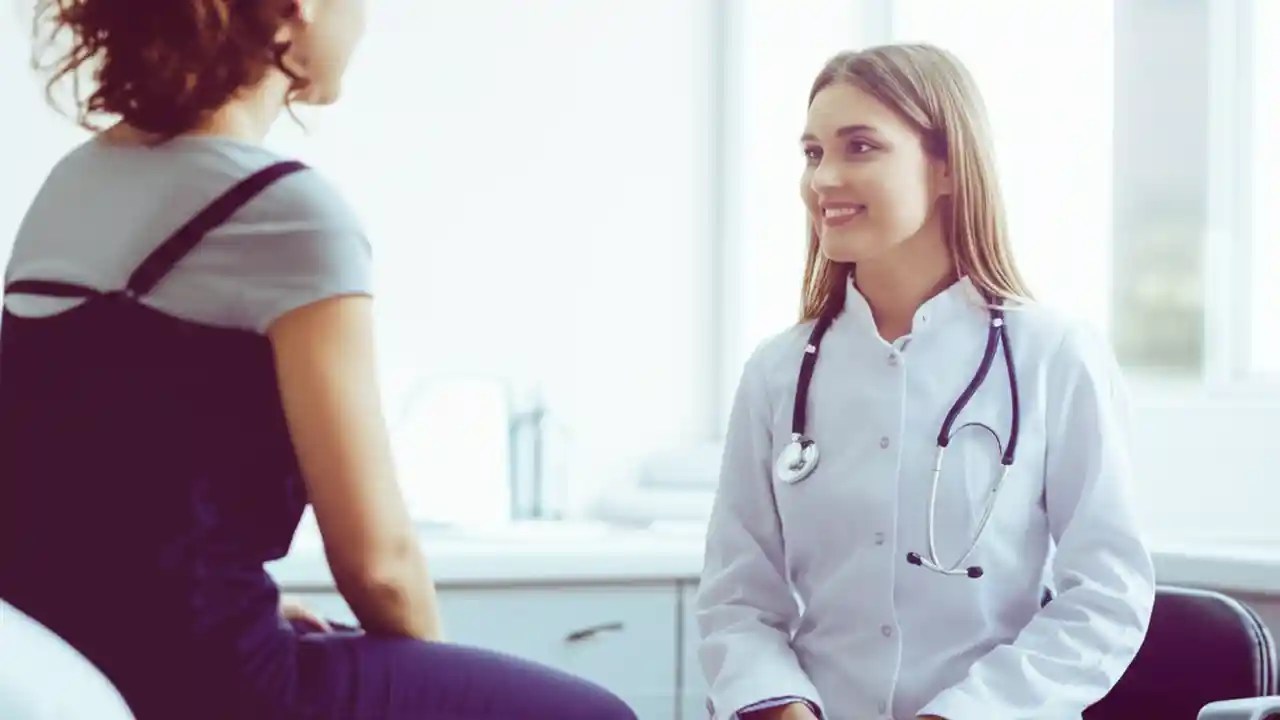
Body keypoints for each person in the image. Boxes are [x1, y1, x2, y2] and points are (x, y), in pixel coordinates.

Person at [0, 1, 637, 719]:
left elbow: (77, 495)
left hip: (91, 659)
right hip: (216, 685)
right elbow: (381, 567)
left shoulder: (73, 183)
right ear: (296, 9)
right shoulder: (285, 212)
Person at [695, 44, 1155, 720]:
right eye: (814, 153)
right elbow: (737, 599)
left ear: (946, 166)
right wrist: (782, 708)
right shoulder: (779, 371)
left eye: (859, 147)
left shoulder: (1056, 355)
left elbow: (1106, 596)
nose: (823, 179)